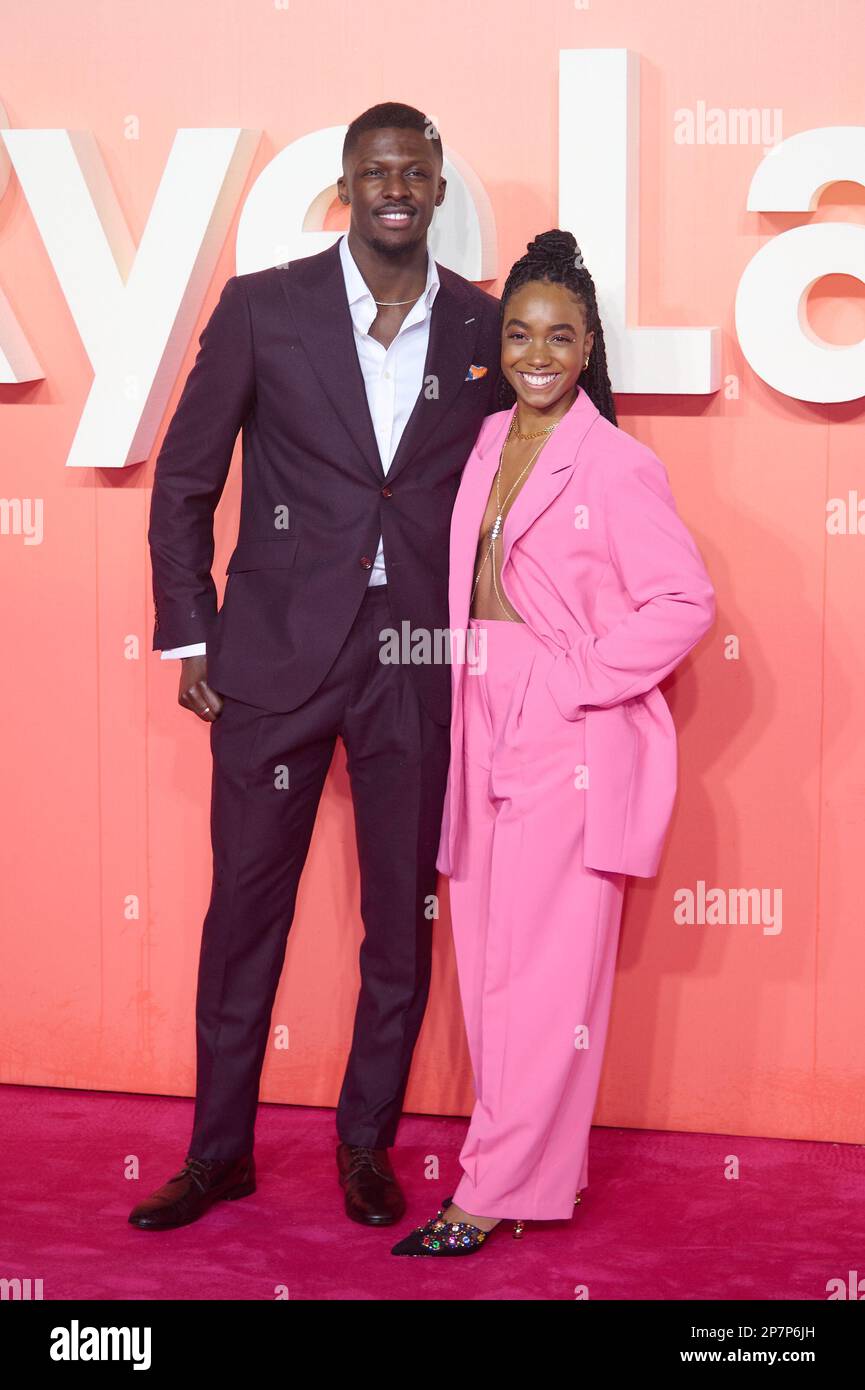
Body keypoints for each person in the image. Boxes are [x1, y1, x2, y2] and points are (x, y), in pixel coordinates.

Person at [130, 102, 503, 1232]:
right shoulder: (263, 309)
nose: (396, 187)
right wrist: (191, 633)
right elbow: (185, 479)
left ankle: (364, 1145)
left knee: (400, 918)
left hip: (415, 663)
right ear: (347, 187)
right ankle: (217, 1154)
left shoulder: (487, 329)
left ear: (438, 189)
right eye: (374, 172)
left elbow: (553, 462)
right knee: (244, 913)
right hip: (274, 656)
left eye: (415, 171)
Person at [392, 229, 716, 1257]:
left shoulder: (618, 463)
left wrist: (568, 681)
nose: (537, 352)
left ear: (587, 350)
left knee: (544, 980)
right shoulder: (487, 442)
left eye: (559, 336)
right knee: (489, 970)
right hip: (474, 716)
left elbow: (684, 600)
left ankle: (487, 1191)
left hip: (561, 727)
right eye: (520, 333)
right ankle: (521, 1167)